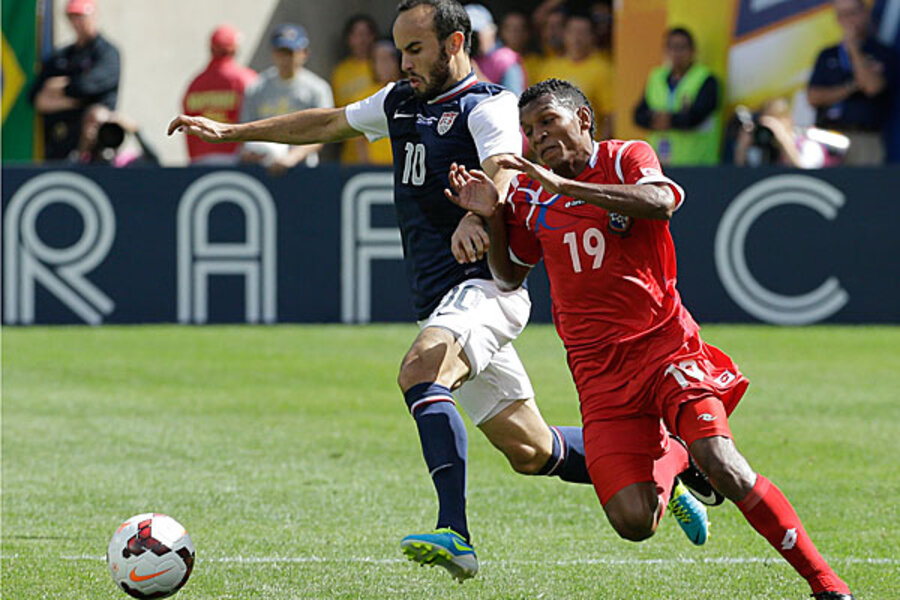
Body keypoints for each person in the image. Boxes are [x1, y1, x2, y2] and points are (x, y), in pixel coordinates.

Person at [168, 0, 708, 582]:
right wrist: (232, 129)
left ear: (455, 45)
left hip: (485, 288)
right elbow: (327, 123)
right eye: (399, 49)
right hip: (441, 299)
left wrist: (482, 214)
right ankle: (664, 462)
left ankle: (456, 533)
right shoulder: (401, 101)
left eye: (416, 49)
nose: (403, 62)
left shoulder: (489, 104)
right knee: (529, 450)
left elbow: (502, 160)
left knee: (421, 370)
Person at [445, 78, 855, 600]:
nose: (538, 137)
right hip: (597, 373)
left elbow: (661, 202)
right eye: (528, 131)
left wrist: (566, 187)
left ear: (584, 120)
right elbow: (507, 277)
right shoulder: (525, 194)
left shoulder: (624, 158)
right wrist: (493, 218)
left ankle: (826, 584)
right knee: (634, 522)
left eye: (548, 122)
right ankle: (676, 455)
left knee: (723, 462)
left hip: (664, 346)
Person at [807, 0, 896, 166]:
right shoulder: (828, 54)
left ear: (864, 13)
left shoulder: (882, 53)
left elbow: (872, 87)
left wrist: (853, 49)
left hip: (864, 137)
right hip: (827, 136)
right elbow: (814, 96)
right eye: (842, 14)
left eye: (852, 13)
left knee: (864, 188)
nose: (848, 20)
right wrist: (852, 87)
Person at [29, 0, 120, 161]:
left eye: (82, 16)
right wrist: (78, 98)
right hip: (58, 142)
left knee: (96, 115)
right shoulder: (62, 56)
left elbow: (86, 86)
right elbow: (36, 97)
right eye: (73, 17)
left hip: (96, 153)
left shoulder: (107, 53)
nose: (78, 22)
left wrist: (56, 89)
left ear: (94, 15)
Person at [239, 23, 334, 174]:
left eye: (290, 53)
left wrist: (292, 157)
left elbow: (324, 132)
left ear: (304, 53)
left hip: (303, 167)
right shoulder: (257, 88)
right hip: (262, 166)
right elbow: (246, 127)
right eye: (280, 52)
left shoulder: (317, 89)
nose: (285, 59)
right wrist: (251, 152)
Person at [633, 27, 721, 166]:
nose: (677, 53)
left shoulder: (706, 79)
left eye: (682, 48)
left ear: (692, 51)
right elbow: (638, 115)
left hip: (697, 162)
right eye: (672, 47)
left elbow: (698, 115)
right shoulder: (656, 78)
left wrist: (670, 120)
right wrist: (653, 118)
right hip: (660, 163)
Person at [181, 24, 257, 165]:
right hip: (236, 160)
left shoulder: (195, 84)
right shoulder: (246, 79)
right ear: (235, 49)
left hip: (199, 160)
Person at [536, 12, 613, 140]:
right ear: (564, 34)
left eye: (583, 32)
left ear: (592, 37)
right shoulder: (549, 67)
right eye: (572, 31)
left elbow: (610, 115)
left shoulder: (603, 69)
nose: (577, 37)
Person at [733, 98, 847, 168]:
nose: (772, 128)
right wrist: (743, 146)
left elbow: (805, 174)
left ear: (788, 120)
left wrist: (783, 139)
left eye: (776, 121)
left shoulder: (807, 145)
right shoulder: (762, 148)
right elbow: (742, 176)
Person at [332, 15, 380, 164]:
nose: (362, 40)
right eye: (357, 35)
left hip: (380, 149)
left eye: (366, 34)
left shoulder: (381, 66)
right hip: (350, 153)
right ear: (349, 38)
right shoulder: (340, 72)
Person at [69, 103, 160, 166]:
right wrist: (83, 145)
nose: (99, 131)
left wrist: (136, 131)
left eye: (102, 126)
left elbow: (153, 162)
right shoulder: (82, 160)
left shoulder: (124, 162)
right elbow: (69, 173)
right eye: (93, 125)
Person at [465, 4, 526, 95]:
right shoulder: (459, 59)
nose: (472, 39)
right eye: (468, 34)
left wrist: (477, 78)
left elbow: (514, 101)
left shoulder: (505, 60)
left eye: (476, 33)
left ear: (492, 30)